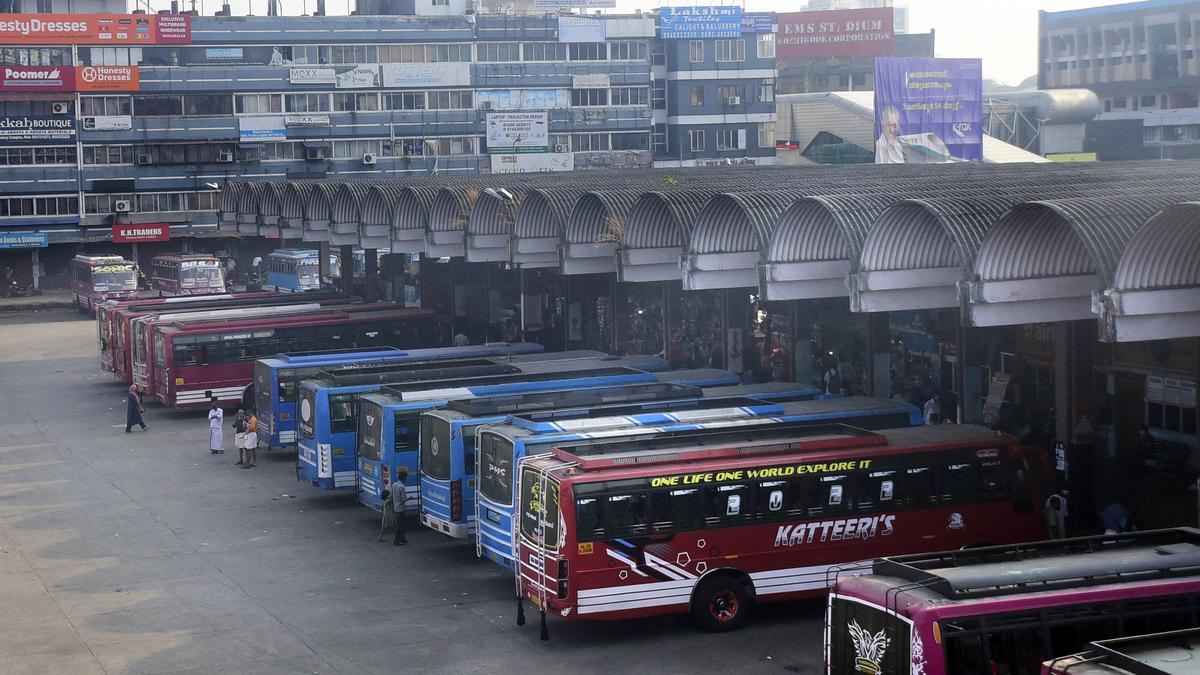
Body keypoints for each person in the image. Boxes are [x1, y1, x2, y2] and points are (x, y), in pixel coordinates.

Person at [391, 469, 408, 544]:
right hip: (401, 509)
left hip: (395, 507)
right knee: (400, 526)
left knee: (399, 525)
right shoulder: (402, 487)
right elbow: (404, 499)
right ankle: (397, 541)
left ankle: (402, 539)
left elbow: (391, 495)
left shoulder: (394, 484)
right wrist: (410, 498)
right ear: (404, 478)